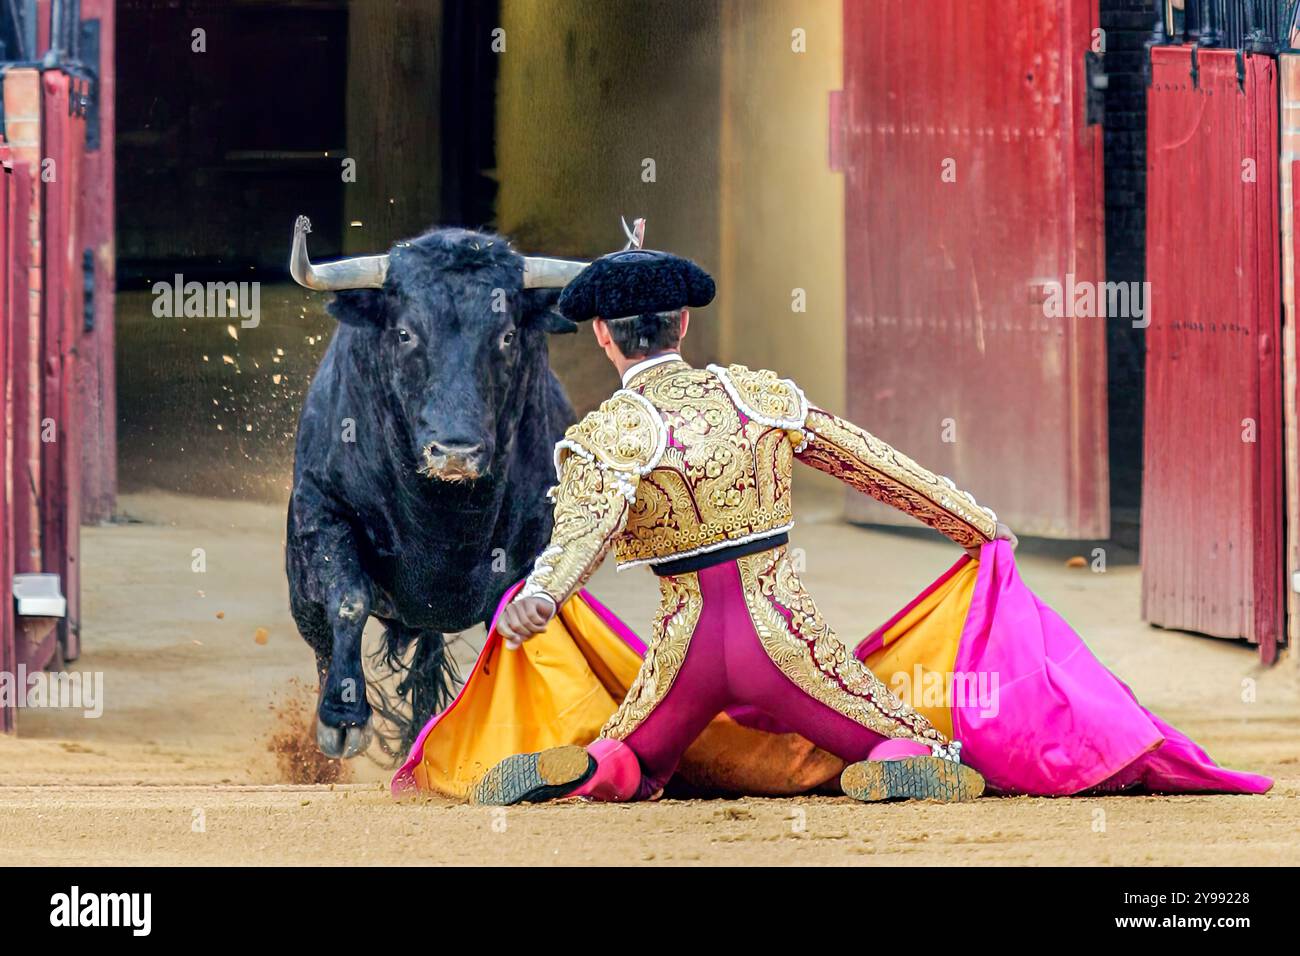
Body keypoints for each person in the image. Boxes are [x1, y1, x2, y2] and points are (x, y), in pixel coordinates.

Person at [471, 248, 1015, 805]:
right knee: (911, 740)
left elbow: (583, 531)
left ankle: (598, 772)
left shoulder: (607, 435)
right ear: (684, 323)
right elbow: (872, 465)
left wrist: (543, 593)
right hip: (783, 636)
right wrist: (978, 525)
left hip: (685, 649)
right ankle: (900, 759)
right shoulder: (756, 398)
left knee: (634, 750)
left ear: (603, 334)